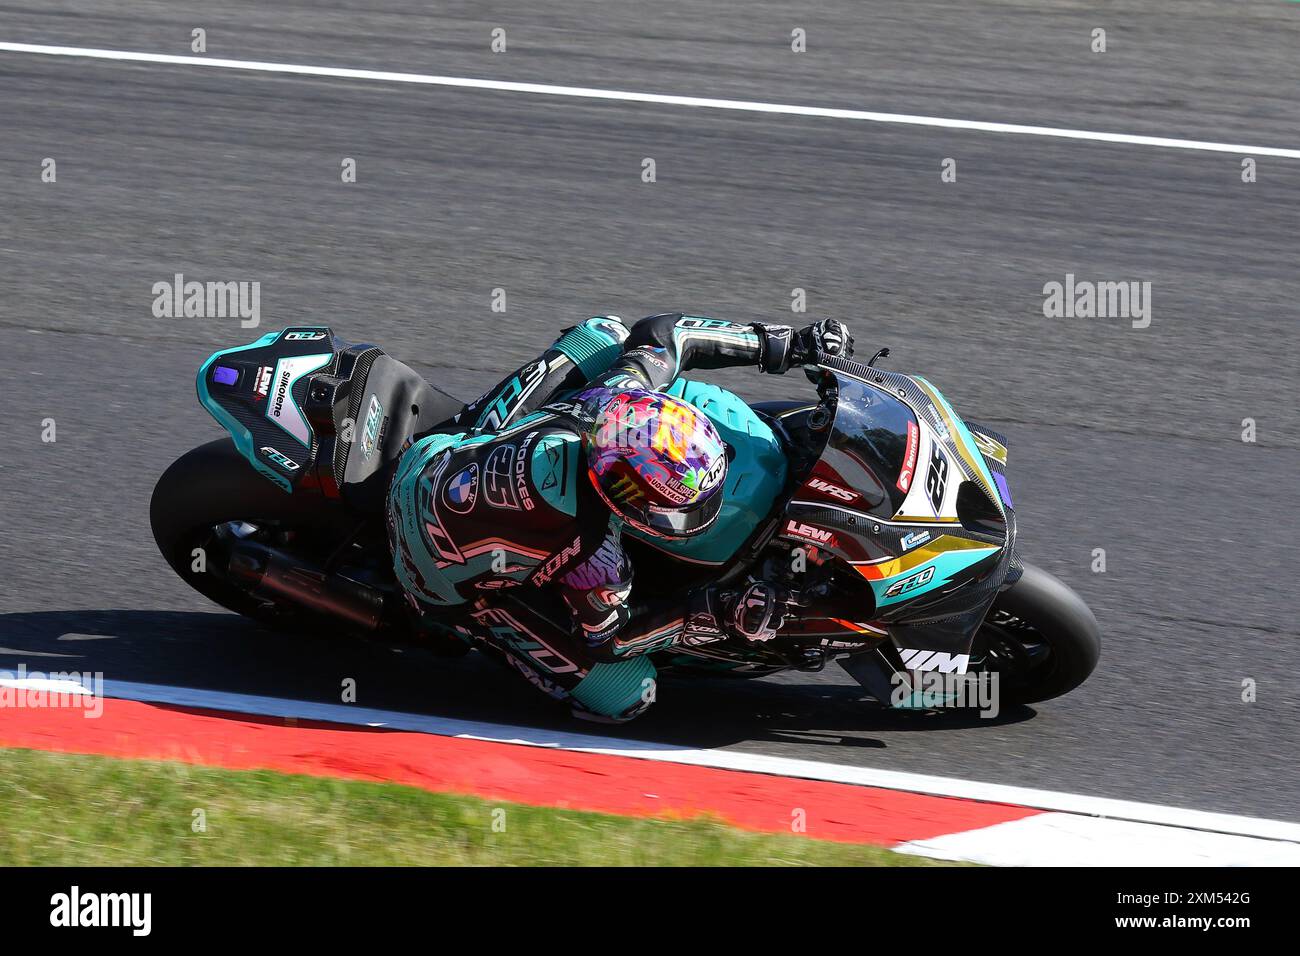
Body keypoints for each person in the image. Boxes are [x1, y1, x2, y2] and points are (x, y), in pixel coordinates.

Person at [386, 312, 852, 721]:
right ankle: (469, 628)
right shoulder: (597, 559)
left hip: (440, 452)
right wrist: (715, 612)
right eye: (675, 508)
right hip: (432, 577)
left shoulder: (610, 398)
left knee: (605, 333)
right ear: (623, 496)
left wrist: (786, 344)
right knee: (629, 694)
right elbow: (610, 640)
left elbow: (665, 332)